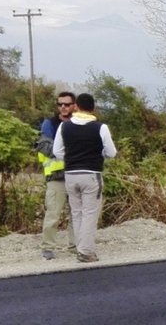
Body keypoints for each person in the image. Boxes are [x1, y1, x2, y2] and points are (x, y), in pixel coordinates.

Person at [52, 93, 117, 263]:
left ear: (76, 107)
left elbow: (57, 151)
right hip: (91, 174)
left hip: (70, 174)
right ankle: (86, 251)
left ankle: (80, 247)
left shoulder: (64, 127)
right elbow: (111, 152)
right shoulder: (100, 127)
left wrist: (71, 157)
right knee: (90, 213)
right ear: (93, 108)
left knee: (77, 212)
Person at [35, 92, 78, 260]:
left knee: (77, 214)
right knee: (53, 213)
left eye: (67, 104)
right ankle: (48, 247)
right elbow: (46, 147)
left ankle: (75, 246)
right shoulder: (49, 124)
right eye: (60, 104)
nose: (63, 107)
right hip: (56, 177)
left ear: (74, 105)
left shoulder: (79, 123)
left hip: (75, 174)